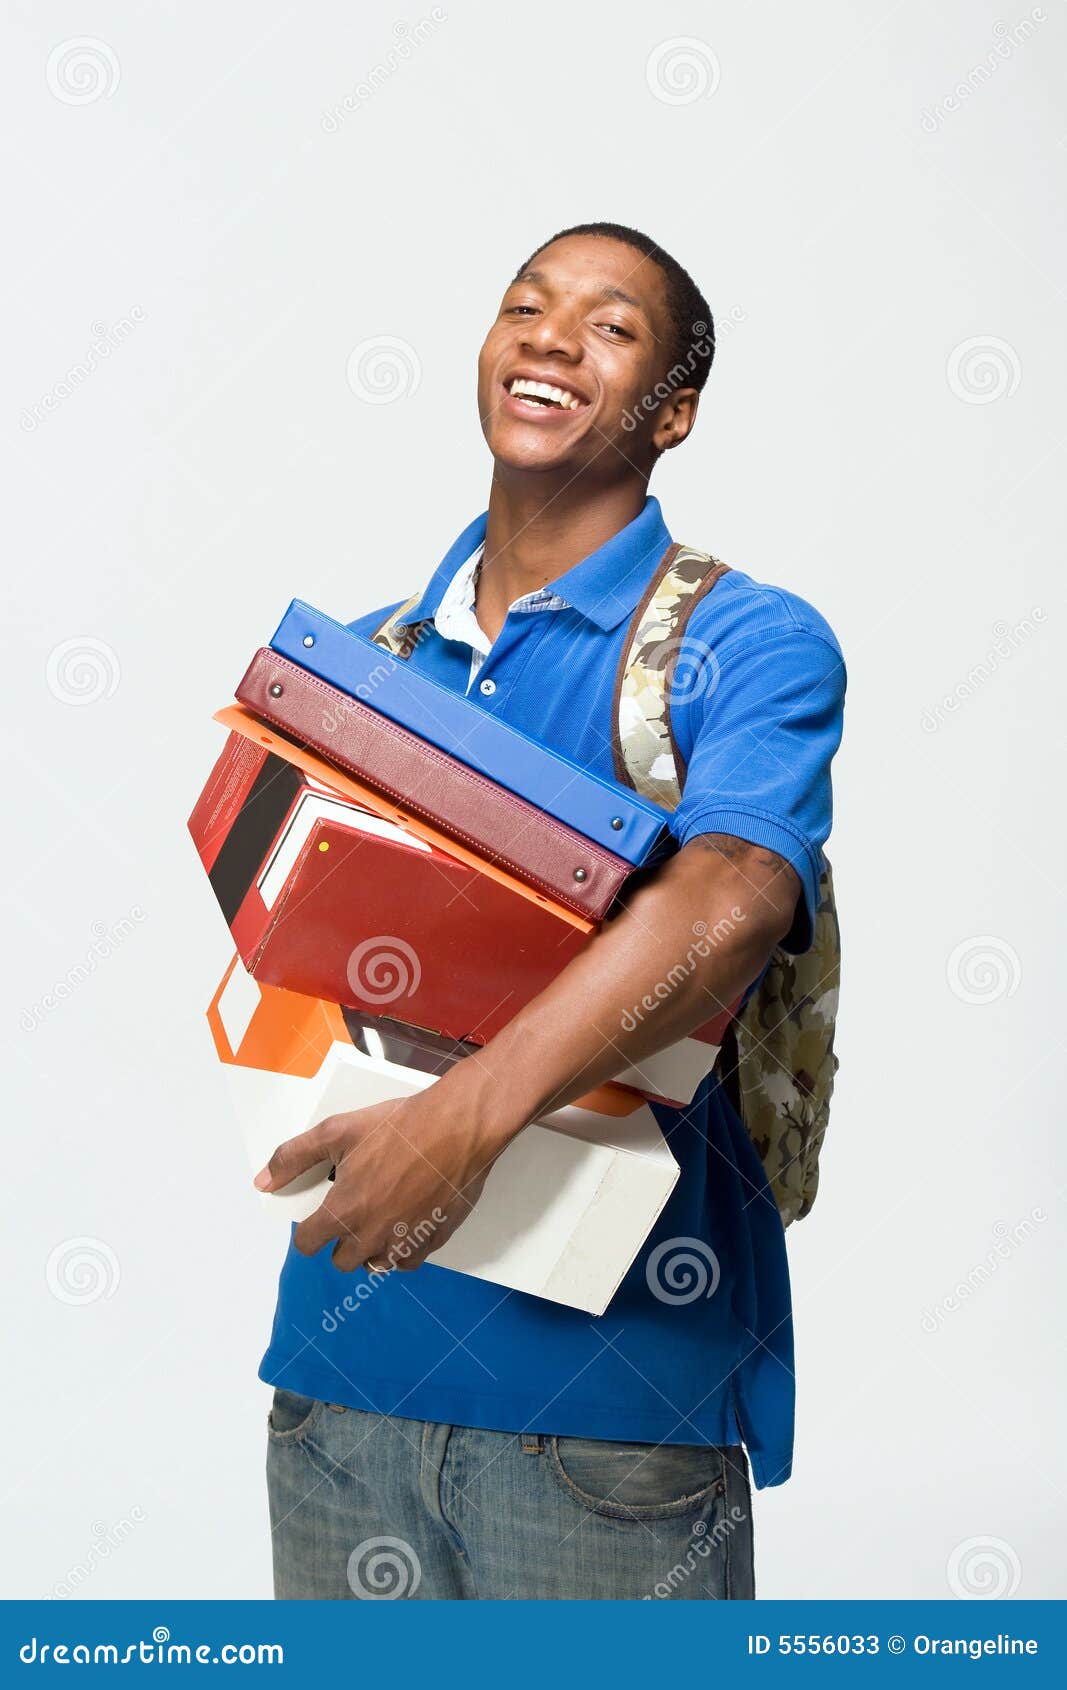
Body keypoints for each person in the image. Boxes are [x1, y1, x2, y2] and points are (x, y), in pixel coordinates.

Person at [257, 222, 846, 1601]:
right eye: (526, 306)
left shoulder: (744, 642)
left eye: (610, 325)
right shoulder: (364, 661)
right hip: (340, 1387)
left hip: (614, 1413)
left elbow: (737, 896)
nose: (550, 336)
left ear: (674, 410)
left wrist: (460, 1123)